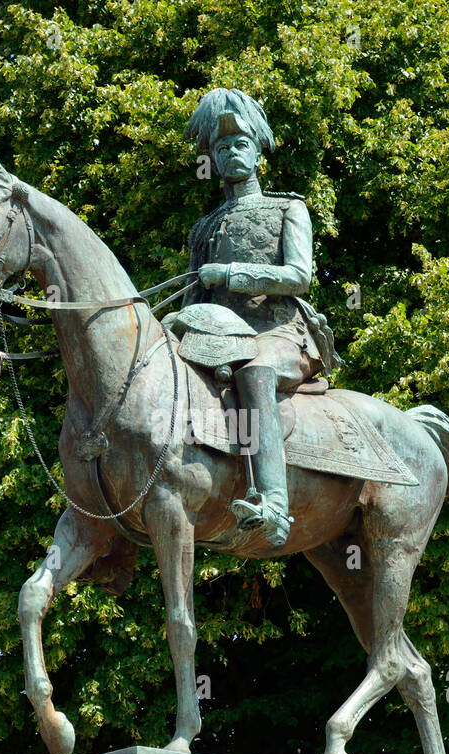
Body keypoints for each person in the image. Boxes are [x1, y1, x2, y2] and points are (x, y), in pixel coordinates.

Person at [179, 88, 341, 546]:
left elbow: (299, 275)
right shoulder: (205, 226)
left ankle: (274, 503)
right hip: (217, 335)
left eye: (240, 144)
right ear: (211, 158)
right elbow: (194, 294)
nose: (231, 153)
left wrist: (231, 273)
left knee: (256, 370)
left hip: (280, 332)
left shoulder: (289, 207)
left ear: (257, 152)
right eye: (222, 147)